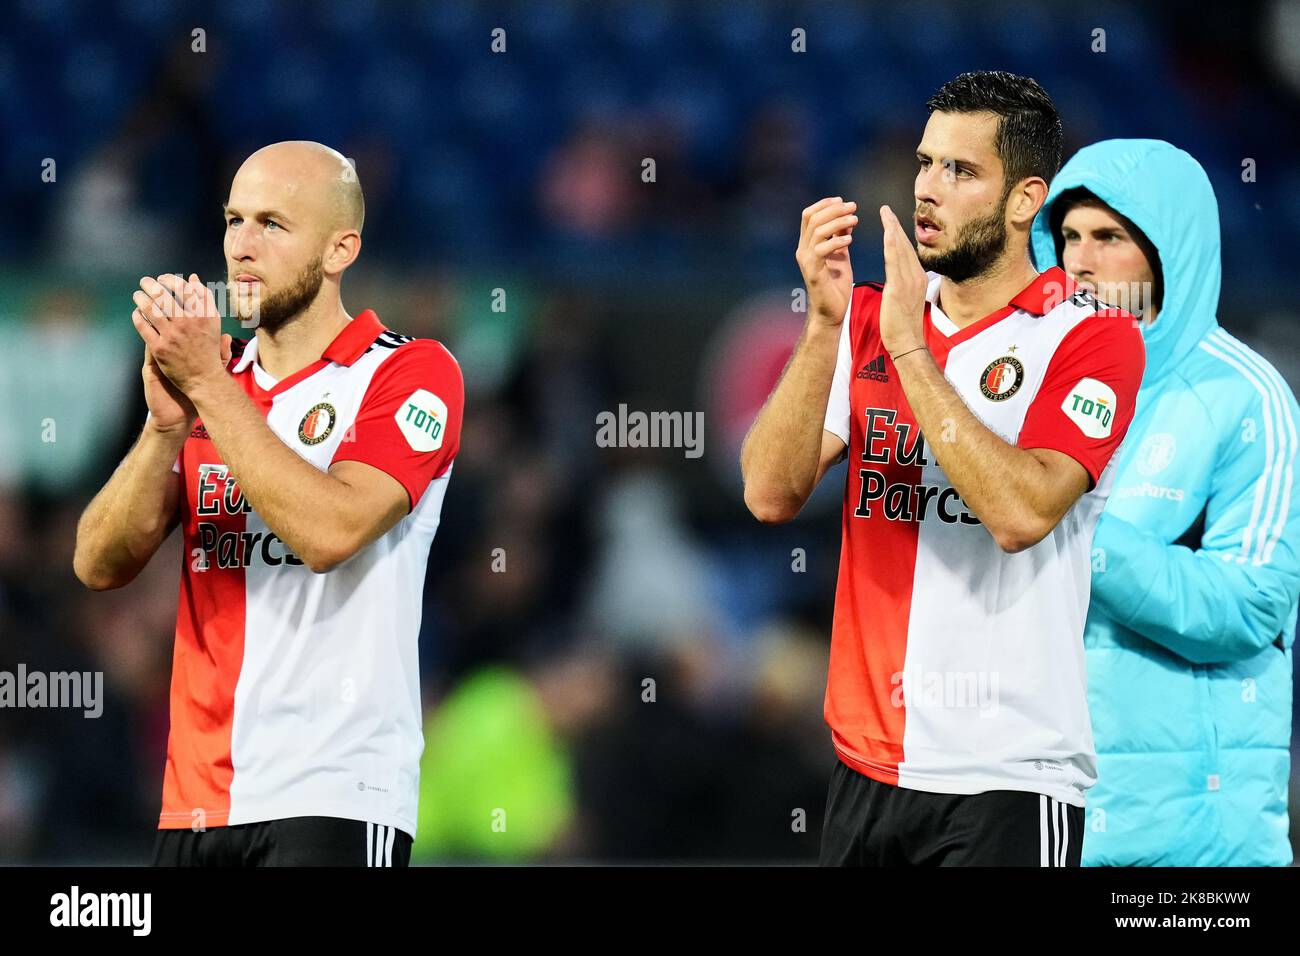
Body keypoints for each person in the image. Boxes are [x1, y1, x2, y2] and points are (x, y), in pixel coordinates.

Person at [740, 71, 1145, 866]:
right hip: (866, 767)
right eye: (925, 164)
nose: (927, 189)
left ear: (1026, 199)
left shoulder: (1090, 339)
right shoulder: (869, 318)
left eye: (961, 172)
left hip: (1010, 781)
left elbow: (1022, 514)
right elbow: (768, 493)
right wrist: (826, 326)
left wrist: (908, 351)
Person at [72, 141, 464, 867]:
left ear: (340, 247)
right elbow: (97, 563)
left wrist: (209, 390)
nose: (242, 247)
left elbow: (331, 531)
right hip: (195, 797)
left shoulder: (410, 373)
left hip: (335, 795)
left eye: (273, 225)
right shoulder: (212, 388)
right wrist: (166, 426)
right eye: (233, 220)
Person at [1033, 139, 1299, 866]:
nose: (1079, 262)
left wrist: (1078, 535)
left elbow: (1251, 605)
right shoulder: (1033, 385)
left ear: (1166, 249)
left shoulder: (1244, 396)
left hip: (1196, 845)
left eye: (1109, 238)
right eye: (1069, 238)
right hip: (1047, 824)